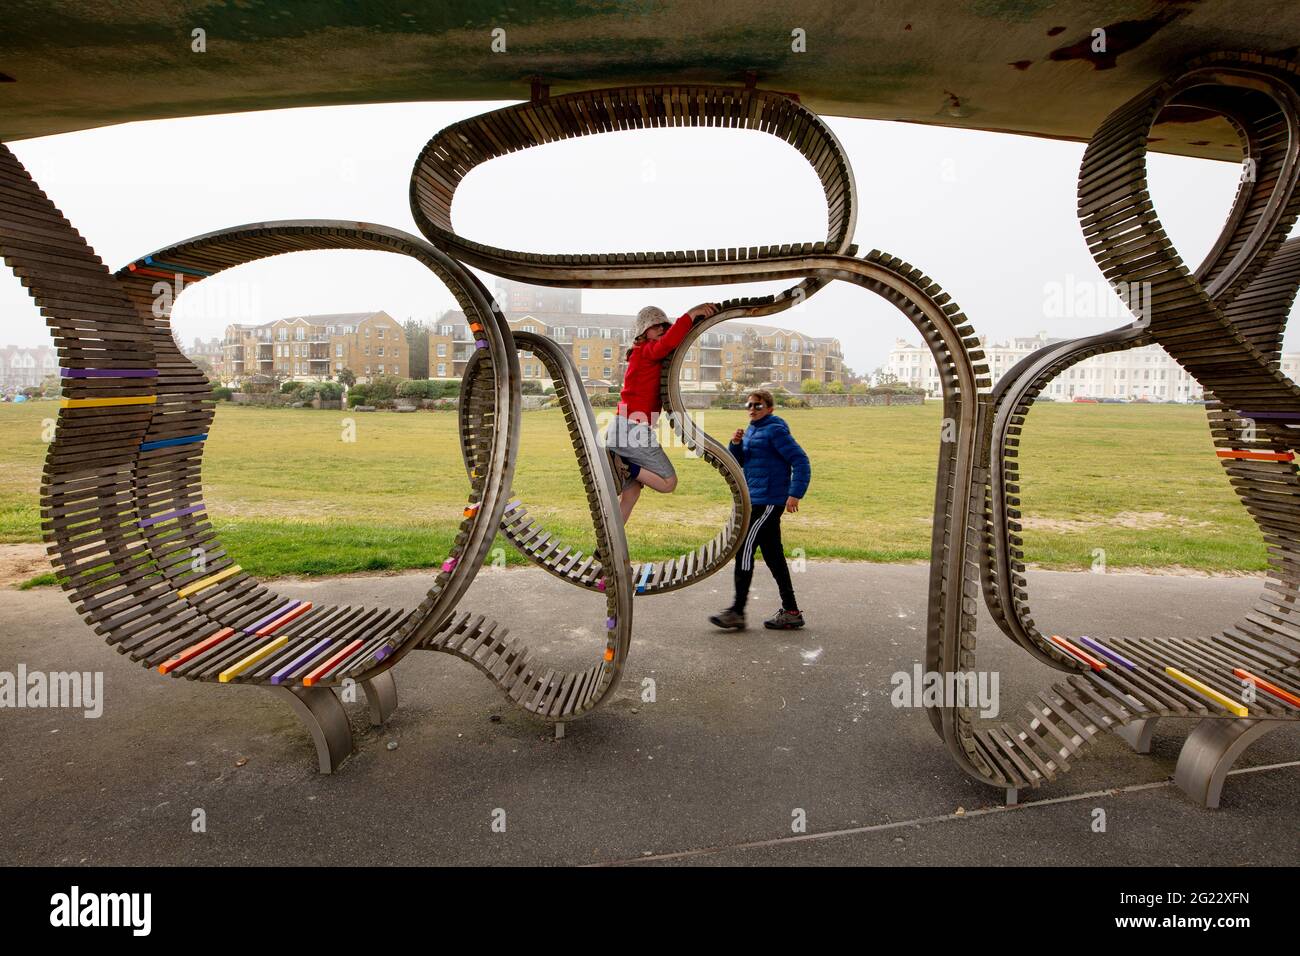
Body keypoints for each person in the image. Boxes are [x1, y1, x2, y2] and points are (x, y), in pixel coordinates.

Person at [604, 301, 719, 522]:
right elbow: (666, 344)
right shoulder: (645, 352)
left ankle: (608, 547)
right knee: (668, 482)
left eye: (663, 326)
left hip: (622, 429)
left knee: (631, 495)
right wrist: (691, 313)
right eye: (655, 326)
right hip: (632, 429)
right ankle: (625, 464)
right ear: (642, 333)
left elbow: (671, 341)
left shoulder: (646, 355)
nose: (661, 329)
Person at [709, 389, 810, 630]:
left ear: (770, 409)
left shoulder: (775, 430)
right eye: (750, 405)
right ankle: (792, 611)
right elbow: (743, 461)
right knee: (774, 557)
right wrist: (735, 445)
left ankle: (737, 611)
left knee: (743, 549)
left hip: (768, 502)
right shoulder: (753, 429)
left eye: (758, 405)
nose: (752, 409)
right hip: (757, 499)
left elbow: (801, 460)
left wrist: (795, 494)